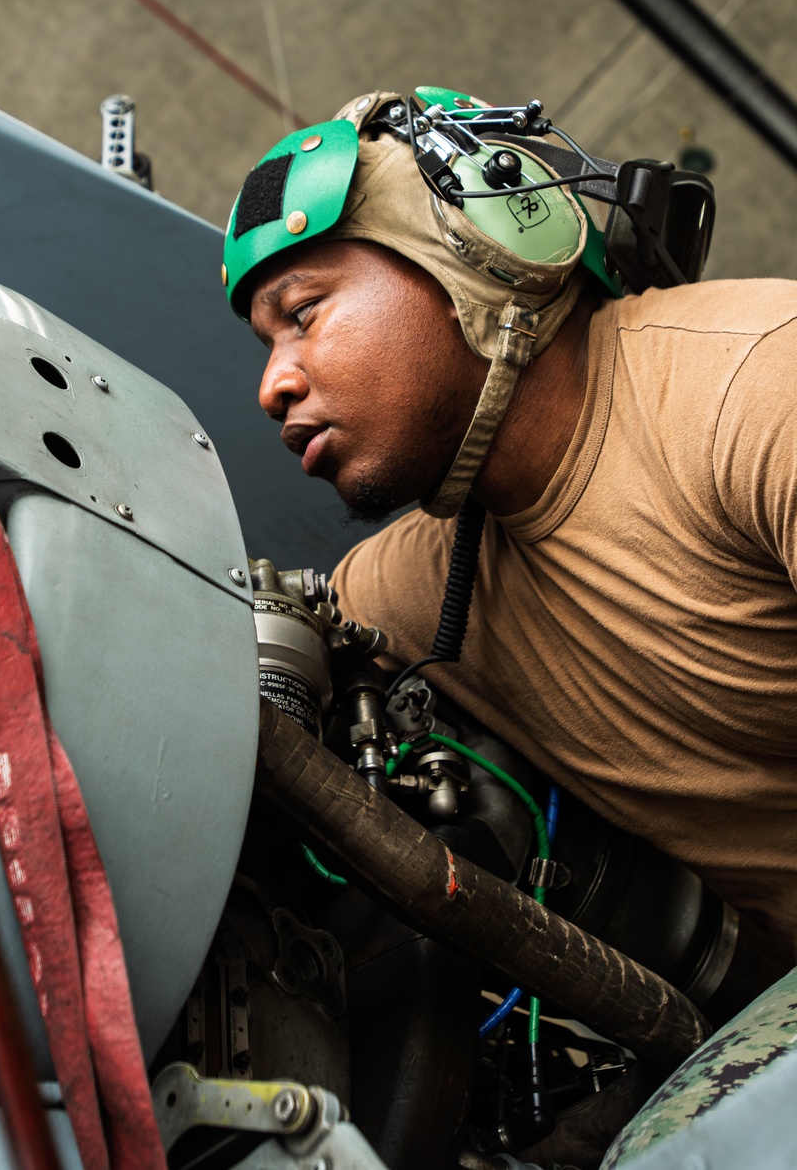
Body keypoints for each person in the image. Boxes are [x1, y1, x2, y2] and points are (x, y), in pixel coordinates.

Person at [221, 88, 797, 964]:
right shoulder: (410, 588)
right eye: (267, 346)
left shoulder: (757, 391)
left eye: (304, 314)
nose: (274, 387)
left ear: (487, 253)